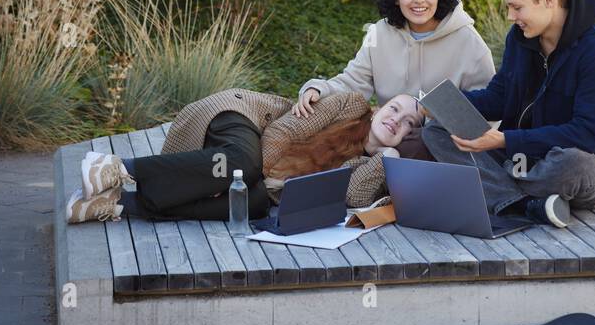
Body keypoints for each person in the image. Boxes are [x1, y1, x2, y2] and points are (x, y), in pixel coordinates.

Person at [421, 0, 595, 229]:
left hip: (581, 168)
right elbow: (498, 98)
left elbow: (585, 135)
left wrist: (504, 140)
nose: (510, 16)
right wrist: (444, 106)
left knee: (573, 162)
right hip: (520, 161)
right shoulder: (520, 38)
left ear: (548, 0)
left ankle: (498, 191)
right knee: (437, 130)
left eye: (517, 7)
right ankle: (526, 204)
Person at [65, 88, 422, 224]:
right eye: (394, 108)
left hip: (249, 173)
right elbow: (282, 131)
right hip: (243, 117)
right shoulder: (351, 105)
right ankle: (118, 167)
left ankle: (120, 205)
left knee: (251, 205)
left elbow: (352, 197)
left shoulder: (374, 165)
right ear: (378, 109)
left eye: (408, 122)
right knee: (244, 168)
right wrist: (246, 176)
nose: (396, 120)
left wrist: (384, 157)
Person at [292, 0, 495, 160]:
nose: (419, 0)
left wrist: (432, 122)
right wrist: (319, 89)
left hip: (437, 145)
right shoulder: (379, 33)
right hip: (383, 131)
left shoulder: (468, 41)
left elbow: (489, 109)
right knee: (319, 123)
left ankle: (379, 162)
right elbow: (354, 82)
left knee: (417, 142)